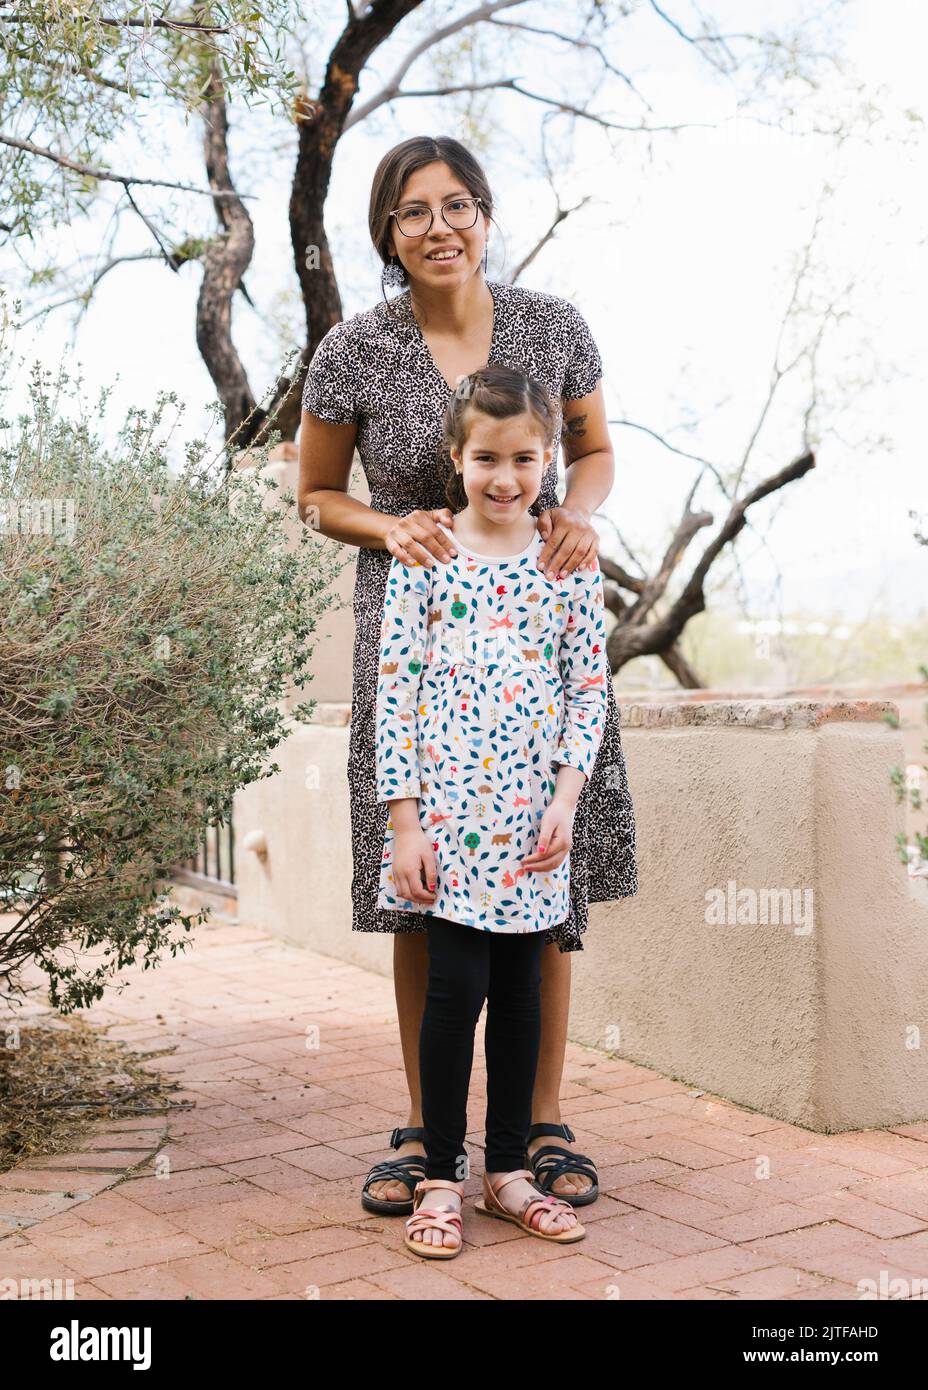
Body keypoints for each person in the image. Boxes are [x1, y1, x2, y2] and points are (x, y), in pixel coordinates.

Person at [298, 134, 637, 1218]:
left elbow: (592, 452)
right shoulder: (353, 348)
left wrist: (574, 522)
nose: (437, 226)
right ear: (386, 232)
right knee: (423, 891)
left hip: (538, 623)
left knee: (549, 887)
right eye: (411, 212)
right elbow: (314, 493)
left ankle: (538, 1120)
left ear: (485, 214)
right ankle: (422, 1128)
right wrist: (391, 527)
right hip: (420, 631)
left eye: (456, 205)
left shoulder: (555, 327)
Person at [376, 366, 608, 1256]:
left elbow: (587, 691)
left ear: (549, 459)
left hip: (531, 829)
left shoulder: (567, 564)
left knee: (518, 997)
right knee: (454, 991)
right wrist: (406, 823)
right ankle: (441, 1174)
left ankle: (508, 1171)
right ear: (456, 458)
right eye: (486, 459)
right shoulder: (427, 559)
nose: (505, 478)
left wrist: (566, 801)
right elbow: (394, 693)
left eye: (523, 459)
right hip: (446, 824)